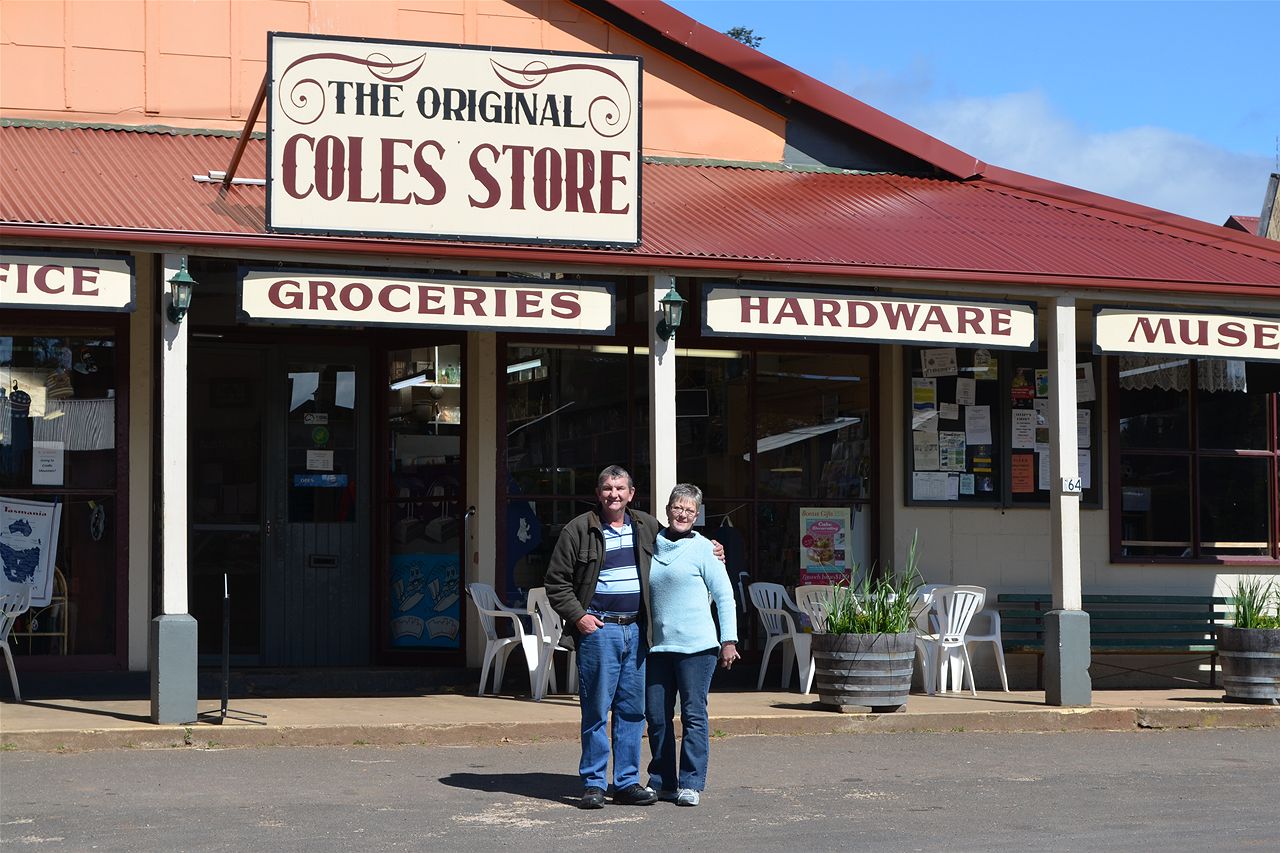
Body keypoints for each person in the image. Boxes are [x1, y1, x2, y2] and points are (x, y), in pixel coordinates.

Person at [544, 465, 664, 810]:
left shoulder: (646, 526)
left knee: (631, 711)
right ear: (599, 494)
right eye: (608, 488)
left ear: (631, 493)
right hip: (600, 631)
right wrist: (580, 618)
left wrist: (712, 546)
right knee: (596, 709)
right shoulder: (579, 529)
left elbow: (679, 547)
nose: (614, 494)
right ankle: (594, 783)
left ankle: (625, 782)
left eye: (620, 488)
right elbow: (556, 582)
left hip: (637, 630)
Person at [644, 483, 739, 807]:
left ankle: (690, 783)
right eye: (677, 507)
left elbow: (725, 596)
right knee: (656, 716)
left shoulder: (704, 549)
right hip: (658, 647)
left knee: (693, 715)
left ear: (697, 515)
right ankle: (661, 781)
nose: (682, 514)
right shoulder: (650, 544)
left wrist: (729, 640)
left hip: (698, 648)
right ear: (668, 509)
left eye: (689, 510)